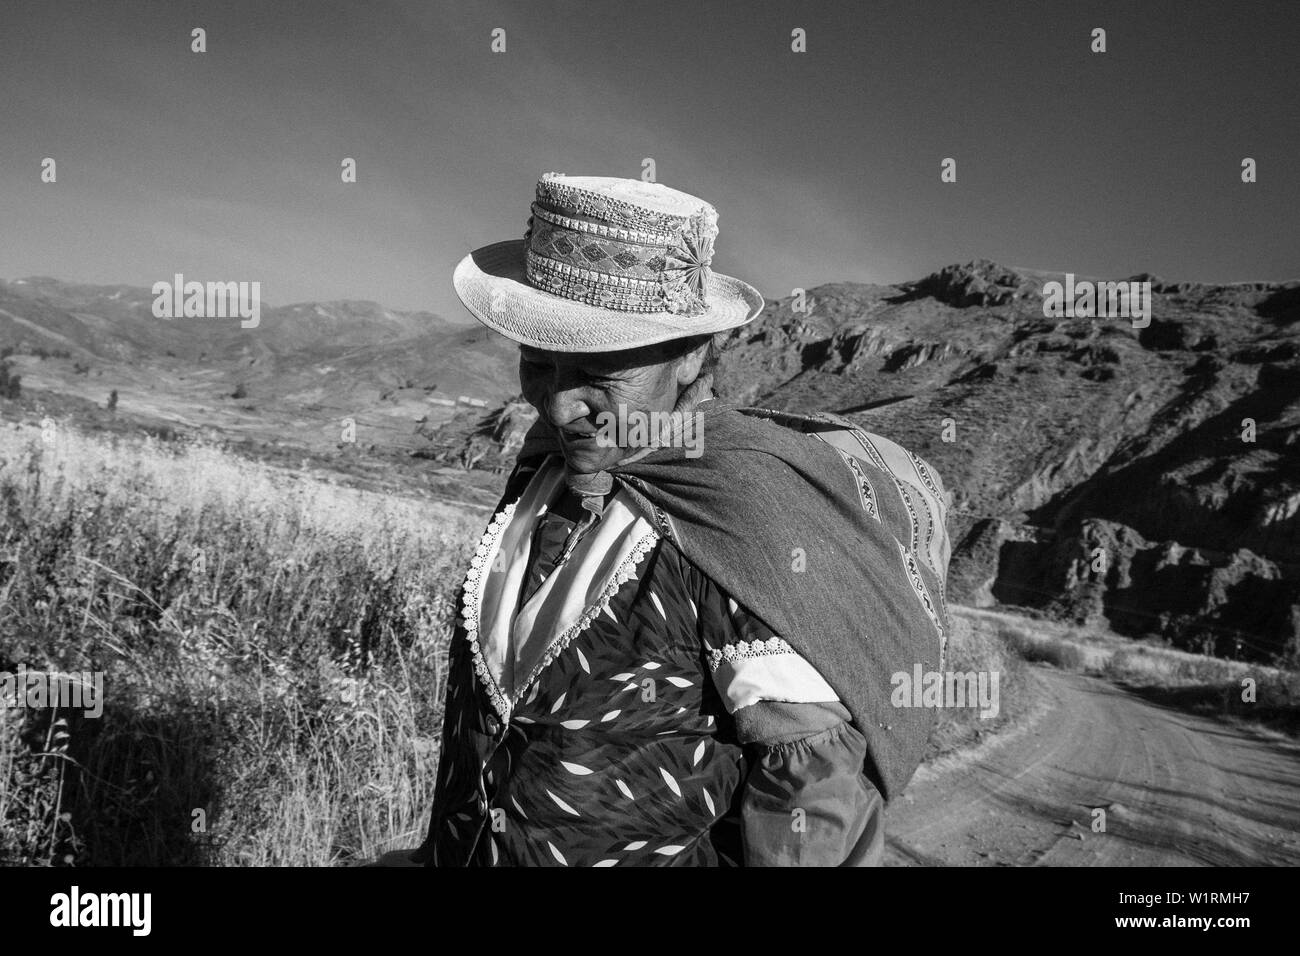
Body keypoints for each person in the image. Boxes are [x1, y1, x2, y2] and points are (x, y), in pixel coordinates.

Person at [412, 173, 951, 866]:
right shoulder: (545, 471)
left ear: (692, 352)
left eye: (601, 373)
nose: (559, 406)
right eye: (538, 365)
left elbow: (811, 793)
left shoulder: (741, 513)